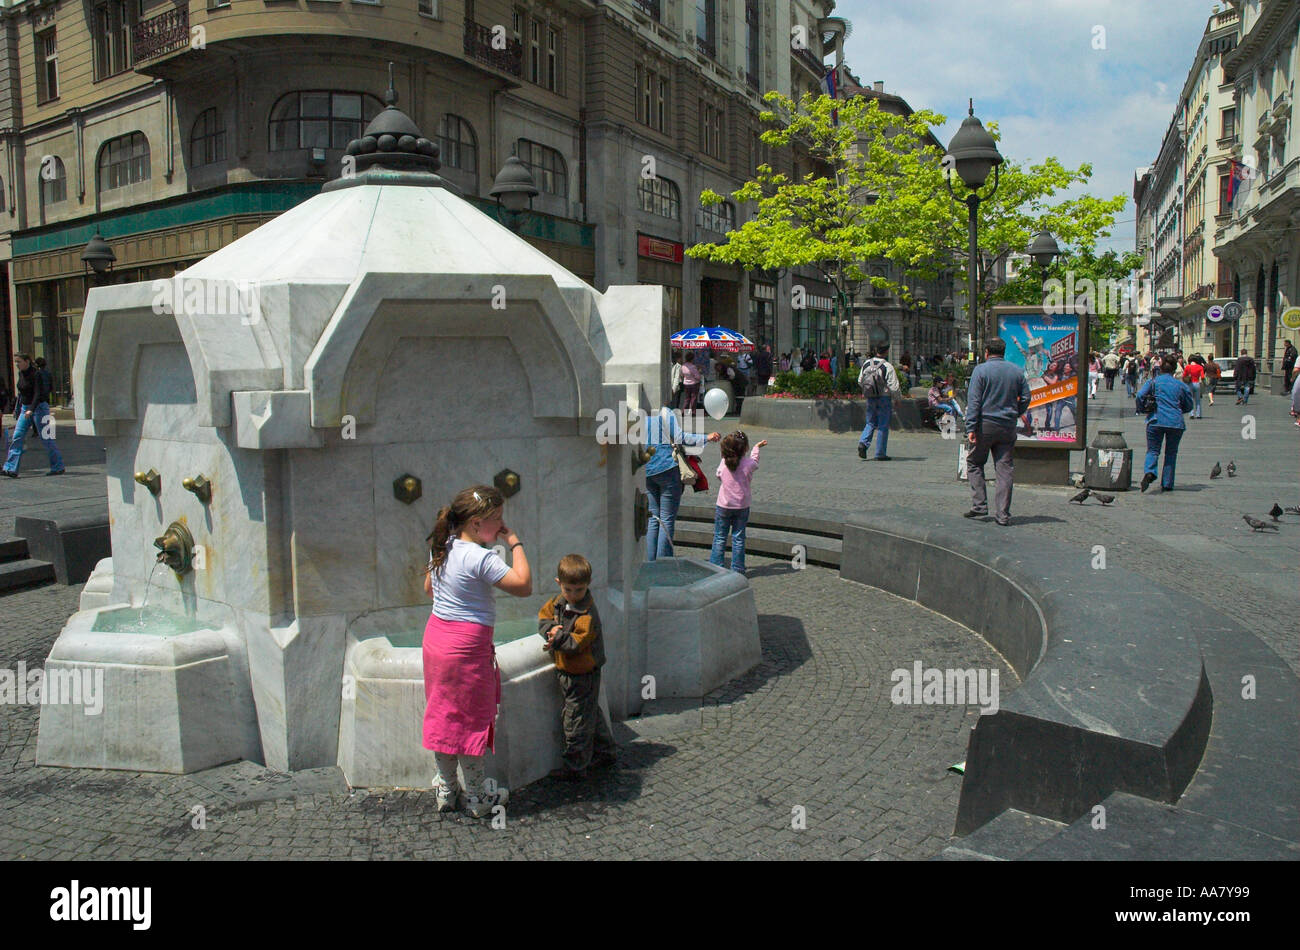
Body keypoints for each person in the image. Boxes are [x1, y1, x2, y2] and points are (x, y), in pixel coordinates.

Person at [422, 485, 532, 817]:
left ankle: (446, 787)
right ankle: (478, 798)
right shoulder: (481, 557)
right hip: (467, 648)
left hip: (436, 641)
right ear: (475, 523)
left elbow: (429, 589)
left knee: (442, 715)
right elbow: (524, 585)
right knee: (471, 721)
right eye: (496, 519)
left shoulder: (443, 546)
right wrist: (514, 542)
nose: (501, 524)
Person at [537, 553, 616, 782]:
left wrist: (558, 636)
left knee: (575, 720)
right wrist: (551, 629)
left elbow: (578, 642)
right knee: (588, 712)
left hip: (584, 673)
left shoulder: (587, 613)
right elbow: (543, 618)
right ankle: (605, 752)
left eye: (579, 590)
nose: (573, 595)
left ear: (587, 586)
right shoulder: (558, 602)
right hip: (568, 671)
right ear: (559, 584)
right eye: (568, 589)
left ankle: (576, 766)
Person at [962, 338, 1031, 526]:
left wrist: (971, 428)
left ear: (986, 352)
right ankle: (1003, 514)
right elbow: (1026, 397)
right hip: (1007, 425)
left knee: (974, 462)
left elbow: (974, 401)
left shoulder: (981, 370)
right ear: (1003, 351)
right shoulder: (1016, 371)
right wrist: (1016, 411)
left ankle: (979, 505)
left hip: (985, 424)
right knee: (1004, 469)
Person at [643, 407, 720, 561]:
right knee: (666, 519)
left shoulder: (641, 412)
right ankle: (663, 563)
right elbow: (680, 437)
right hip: (667, 467)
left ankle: (650, 562)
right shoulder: (665, 412)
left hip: (647, 470)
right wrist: (707, 437)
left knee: (653, 518)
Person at [1134, 355, 1194, 492]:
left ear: (1160, 368)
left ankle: (1150, 471)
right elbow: (1189, 405)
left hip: (1155, 419)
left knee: (1153, 450)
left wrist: (1142, 408)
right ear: (1174, 369)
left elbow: (1139, 395)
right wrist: (1178, 410)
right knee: (1171, 453)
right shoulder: (1181, 385)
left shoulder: (1153, 382)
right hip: (1175, 422)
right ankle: (1167, 483)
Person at [711, 431, 766, 574]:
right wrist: (757, 447)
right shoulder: (749, 464)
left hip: (723, 505)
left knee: (719, 536)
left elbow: (718, 475)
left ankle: (716, 567)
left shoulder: (724, 462)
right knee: (739, 538)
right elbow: (755, 460)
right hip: (742, 506)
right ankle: (738, 569)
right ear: (745, 448)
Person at [3, 353, 65, 478]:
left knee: (46, 438)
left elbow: (38, 393)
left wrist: (31, 409)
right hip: (25, 408)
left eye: (19, 361)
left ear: (27, 361)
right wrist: (20, 408)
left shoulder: (37, 374)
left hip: (40, 408)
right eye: (16, 362)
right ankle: (10, 468)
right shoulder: (21, 374)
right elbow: (22, 393)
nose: (17, 364)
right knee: (17, 436)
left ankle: (58, 466)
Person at [856, 343, 902, 461]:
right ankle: (880, 453)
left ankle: (863, 442)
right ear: (886, 352)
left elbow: (860, 380)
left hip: (871, 397)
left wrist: (867, 390)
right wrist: (897, 398)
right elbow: (893, 386)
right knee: (883, 425)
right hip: (884, 397)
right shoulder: (887, 366)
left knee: (870, 422)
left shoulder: (866, 363)